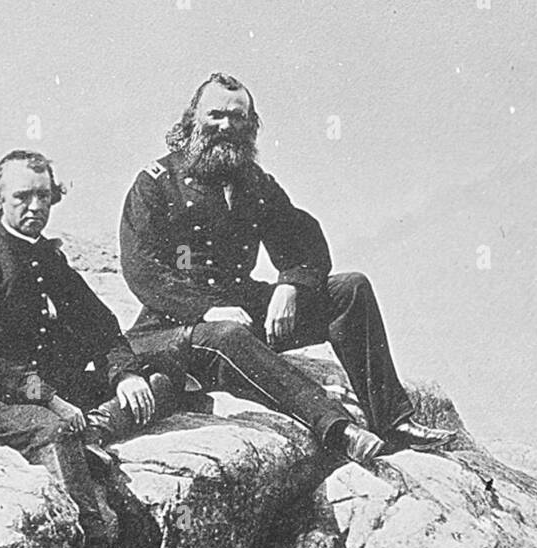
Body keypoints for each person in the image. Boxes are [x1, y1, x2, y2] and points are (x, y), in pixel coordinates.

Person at [119, 73, 455, 466]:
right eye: (215, 116)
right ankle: (339, 429)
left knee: (350, 289)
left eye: (237, 117)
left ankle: (393, 420)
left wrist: (291, 284)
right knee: (227, 333)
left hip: (244, 318)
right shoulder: (156, 183)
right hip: (173, 332)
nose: (226, 126)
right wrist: (205, 311)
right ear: (192, 118)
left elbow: (304, 240)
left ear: (251, 125)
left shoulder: (255, 183)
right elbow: (141, 268)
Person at [0, 149, 183, 548]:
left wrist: (124, 375)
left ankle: (89, 434)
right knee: (57, 432)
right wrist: (52, 400)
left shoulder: (51, 260)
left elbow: (102, 327)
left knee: (160, 384)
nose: (36, 207)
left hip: (61, 393)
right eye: (22, 197)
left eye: (45, 196)